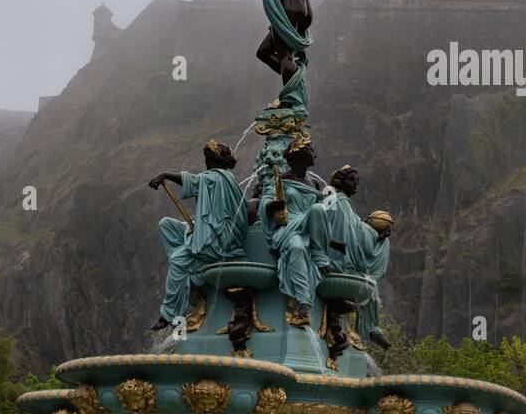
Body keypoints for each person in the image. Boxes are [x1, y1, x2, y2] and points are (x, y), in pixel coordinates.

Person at [147, 140, 247, 331]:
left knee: (177, 261)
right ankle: (190, 266)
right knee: (166, 225)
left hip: (220, 239)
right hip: (213, 229)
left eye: (206, 158)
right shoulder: (224, 177)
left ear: (211, 159)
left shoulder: (215, 177)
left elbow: (192, 181)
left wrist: (164, 175)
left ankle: (169, 315)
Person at [262, 140, 331, 327]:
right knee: (296, 247)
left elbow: (322, 217)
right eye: (310, 150)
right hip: (289, 227)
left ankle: (318, 253)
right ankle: (304, 304)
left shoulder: (315, 183)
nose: (314, 154)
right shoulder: (281, 180)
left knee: (318, 208)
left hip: (309, 226)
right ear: (299, 155)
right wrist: (272, 205)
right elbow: (265, 201)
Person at [323, 165, 393, 349]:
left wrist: (374, 233)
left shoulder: (344, 204)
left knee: (370, 286)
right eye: (351, 180)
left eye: (357, 181)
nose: (355, 184)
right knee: (367, 283)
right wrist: (372, 232)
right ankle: (369, 328)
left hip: (345, 255)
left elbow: (354, 229)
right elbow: (338, 228)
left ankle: (371, 329)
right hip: (337, 259)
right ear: (340, 182)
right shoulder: (337, 200)